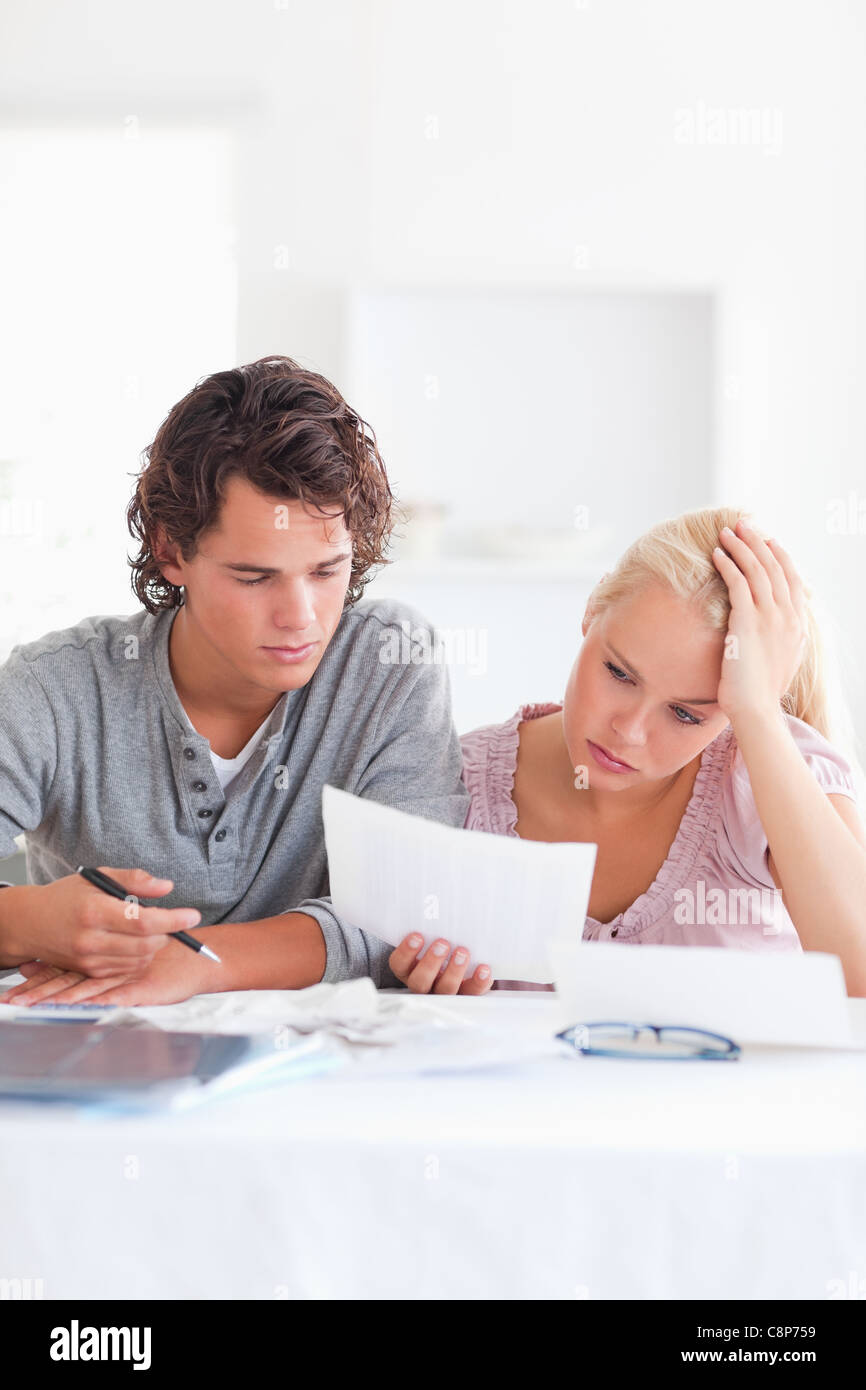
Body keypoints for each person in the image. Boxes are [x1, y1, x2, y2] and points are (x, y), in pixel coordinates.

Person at [0, 355, 490, 1007]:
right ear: (173, 550)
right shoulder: (55, 690)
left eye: (325, 572)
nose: (301, 619)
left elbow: (408, 909)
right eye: (254, 577)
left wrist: (199, 965)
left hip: (330, 1077)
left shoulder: (389, 665)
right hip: (104, 1060)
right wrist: (21, 924)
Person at [451, 507, 866, 995]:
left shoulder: (763, 776)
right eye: (620, 674)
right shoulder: (457, 780)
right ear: (591, 610)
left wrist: (758, 713)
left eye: (686, 714)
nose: (630, 731)